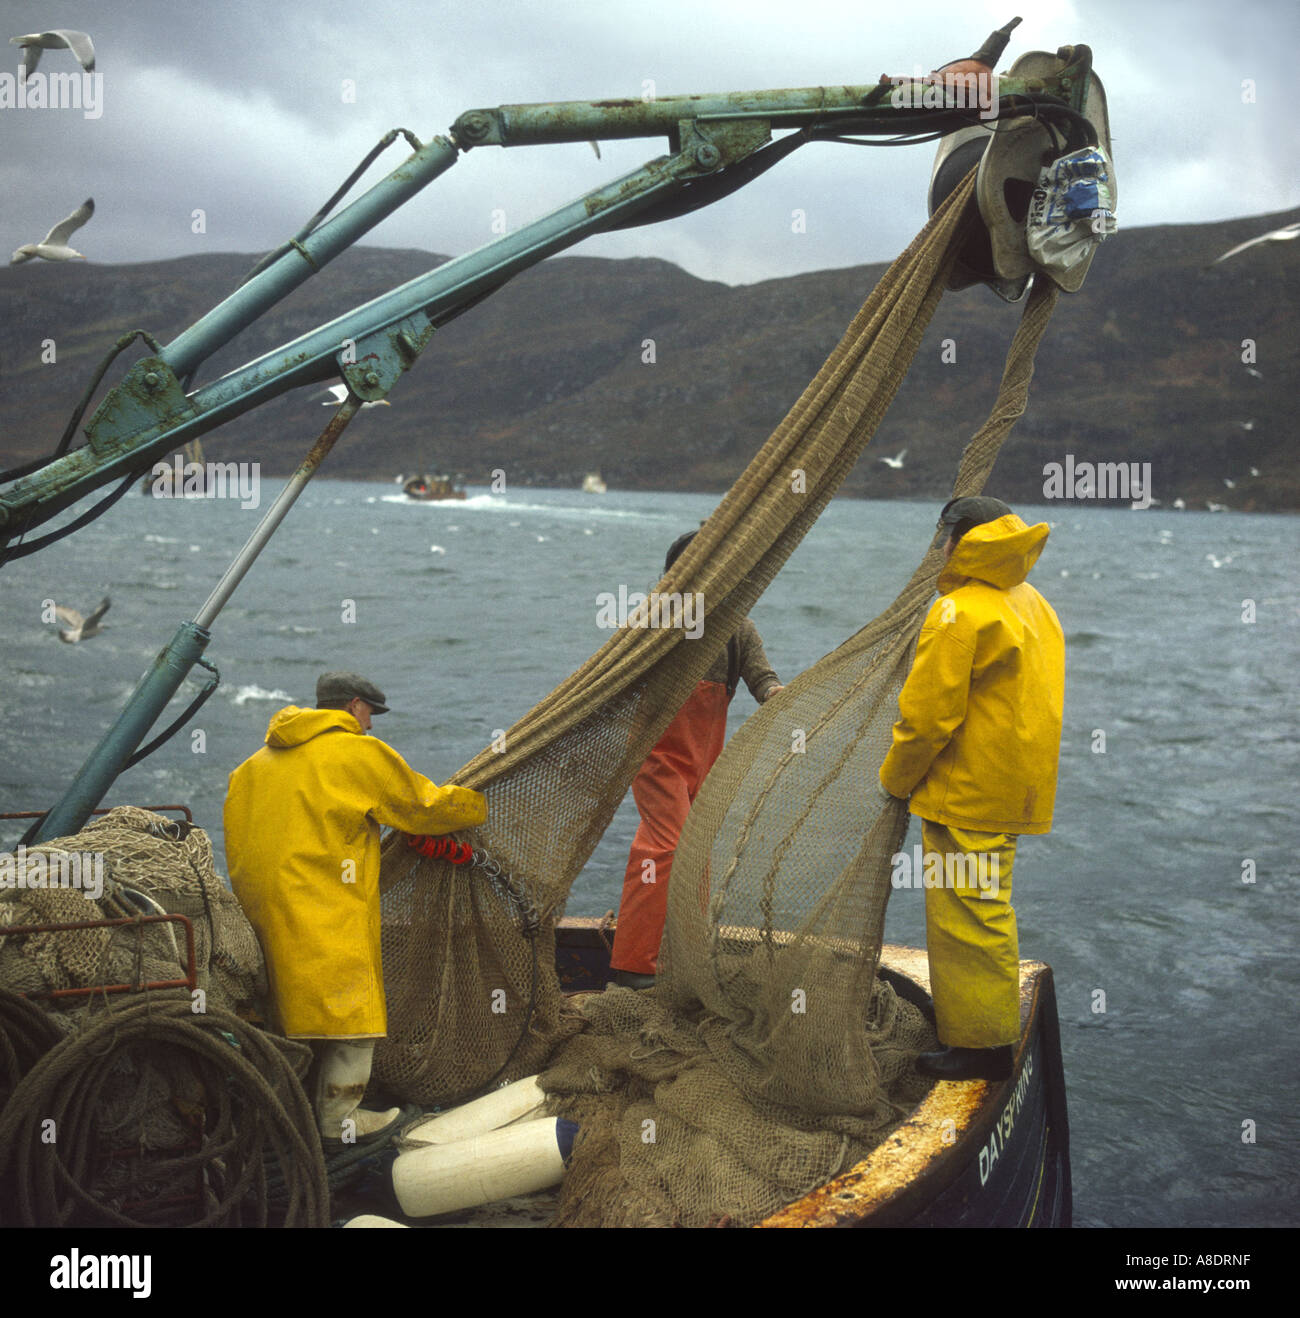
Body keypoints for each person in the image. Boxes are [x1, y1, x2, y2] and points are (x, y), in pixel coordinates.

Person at [224, 671, 486, 1140]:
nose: (371, 726)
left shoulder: (251, 767)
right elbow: (421, 807)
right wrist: (478, 804)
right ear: (352, 706)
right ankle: (336, 1122)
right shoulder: (357, 753)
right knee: (352, 1008)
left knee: (286, 1008)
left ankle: (283, 1112)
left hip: (256, 911)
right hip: (322, 903)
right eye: (370, 715)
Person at [879, 498, 1064, 1081]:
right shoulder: (1033, 603)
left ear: (961, 542)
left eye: (944, 538)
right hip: (1018, 785)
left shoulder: (958, 610)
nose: (938, 549)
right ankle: (979, 1024)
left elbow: (928, 717)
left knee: (966, 915)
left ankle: (981, 1047)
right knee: (989, 904)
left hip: (968, 790)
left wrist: (894, 780)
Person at [609, 532, 784, 987]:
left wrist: (783, 698)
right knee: (666, 847)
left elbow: (763, 680)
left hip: (706, 758)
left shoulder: (738, 629)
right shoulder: (654, 620)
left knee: (698, 852)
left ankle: (680, 956)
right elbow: (614, 676)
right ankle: (633, 964)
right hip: (658, 757)